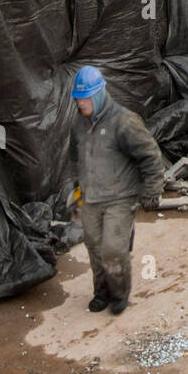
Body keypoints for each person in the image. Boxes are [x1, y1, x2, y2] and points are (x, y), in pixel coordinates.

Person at [69, 65, 166, 316]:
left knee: (113, 249)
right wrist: (75, 186)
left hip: (119, 198)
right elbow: (73, 156)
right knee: (94, 247)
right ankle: (101, 292)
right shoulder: (79, 124)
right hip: (91, 197)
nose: (81, 104)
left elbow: (151, 156)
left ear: (99, 94)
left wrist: (152, 190)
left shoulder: (124, 121)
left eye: (86, 98)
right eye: (78, 100)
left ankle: (119, 293)